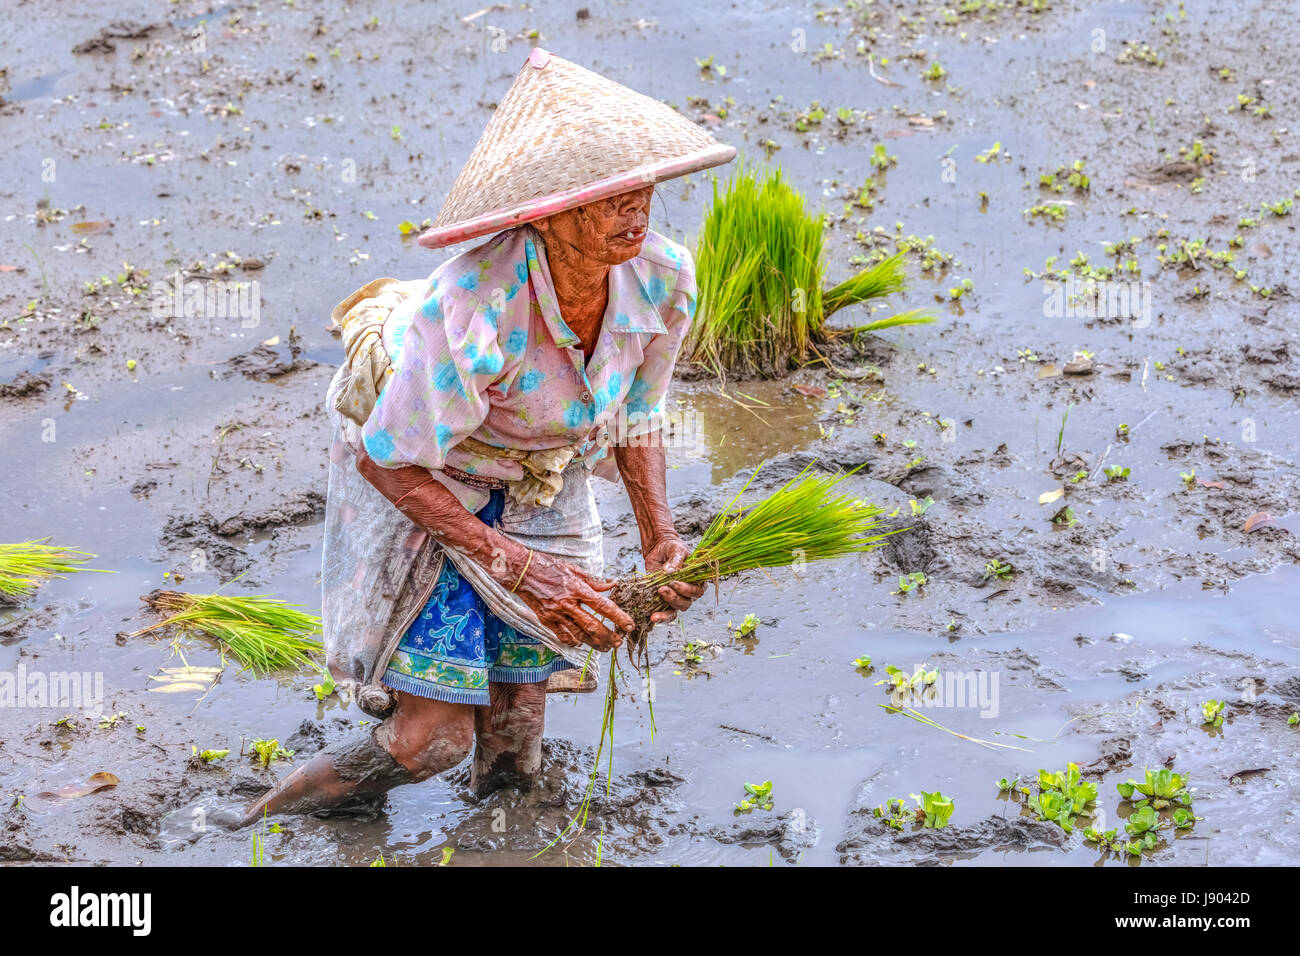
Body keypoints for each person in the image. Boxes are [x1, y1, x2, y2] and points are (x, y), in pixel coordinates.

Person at [242, 49, 735, 822]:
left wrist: (660, 536)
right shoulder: (478, 304)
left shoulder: (662, 278)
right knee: (430, 740)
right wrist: (516, 564)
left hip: (543, 469)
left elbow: (640, 413)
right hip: (424, 470)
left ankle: (502, 836)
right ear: (543, 212)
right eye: (607, 199)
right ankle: (257, 817)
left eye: (640, 191)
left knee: (516, 727)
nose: (633, 213)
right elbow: (389, 458)